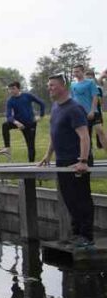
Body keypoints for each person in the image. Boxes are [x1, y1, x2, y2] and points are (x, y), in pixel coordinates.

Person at [38, 73, 94, 249]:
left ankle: (86, 236)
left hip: (76, 160)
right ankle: (77, 233)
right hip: (62, 161)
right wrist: (48, 155)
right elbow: (54, 134)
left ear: (63, 86)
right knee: (69, 199)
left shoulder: (74, 108)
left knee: (81, 198)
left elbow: (84, 137)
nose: (49, 88)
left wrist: (83, 161)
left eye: (52, 85)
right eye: (48, 86)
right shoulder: (55, 107)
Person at [1, 81, 45, 162]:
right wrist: (16, 122)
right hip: (18, 123)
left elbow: (42, 103)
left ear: (18, 88)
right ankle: (7, 147)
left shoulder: (27, 96)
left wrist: (41, 115)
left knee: (30, 146)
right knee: (5, 125)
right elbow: (8, 116)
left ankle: (31, 165)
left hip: (30, 124)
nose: (11, 91)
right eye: (9, 89)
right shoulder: (10, 101)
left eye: (13, 89)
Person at [70, 64, 99, 148]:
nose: (75, 73)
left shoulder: (90, 82)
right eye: (74, 72)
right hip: (77, 114)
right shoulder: (72, 84)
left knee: (87, 135)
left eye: (77, 71)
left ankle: (88, 158)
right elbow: (72, 99)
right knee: (78, 137)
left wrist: (92, 111)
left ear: (82, 72)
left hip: (88, 113)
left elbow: (95, 97)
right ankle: (79, 156)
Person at [85, 69, 106, 149]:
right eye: (87, 78)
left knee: (99, 130)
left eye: (90, 78)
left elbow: (100, 100)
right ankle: (89, 149)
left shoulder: (98, 88)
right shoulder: (83, 88)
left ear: (93, 78)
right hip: (86, 112)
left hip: (97, 112)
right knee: (87, 132)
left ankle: (101, 145)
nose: (89, 80)